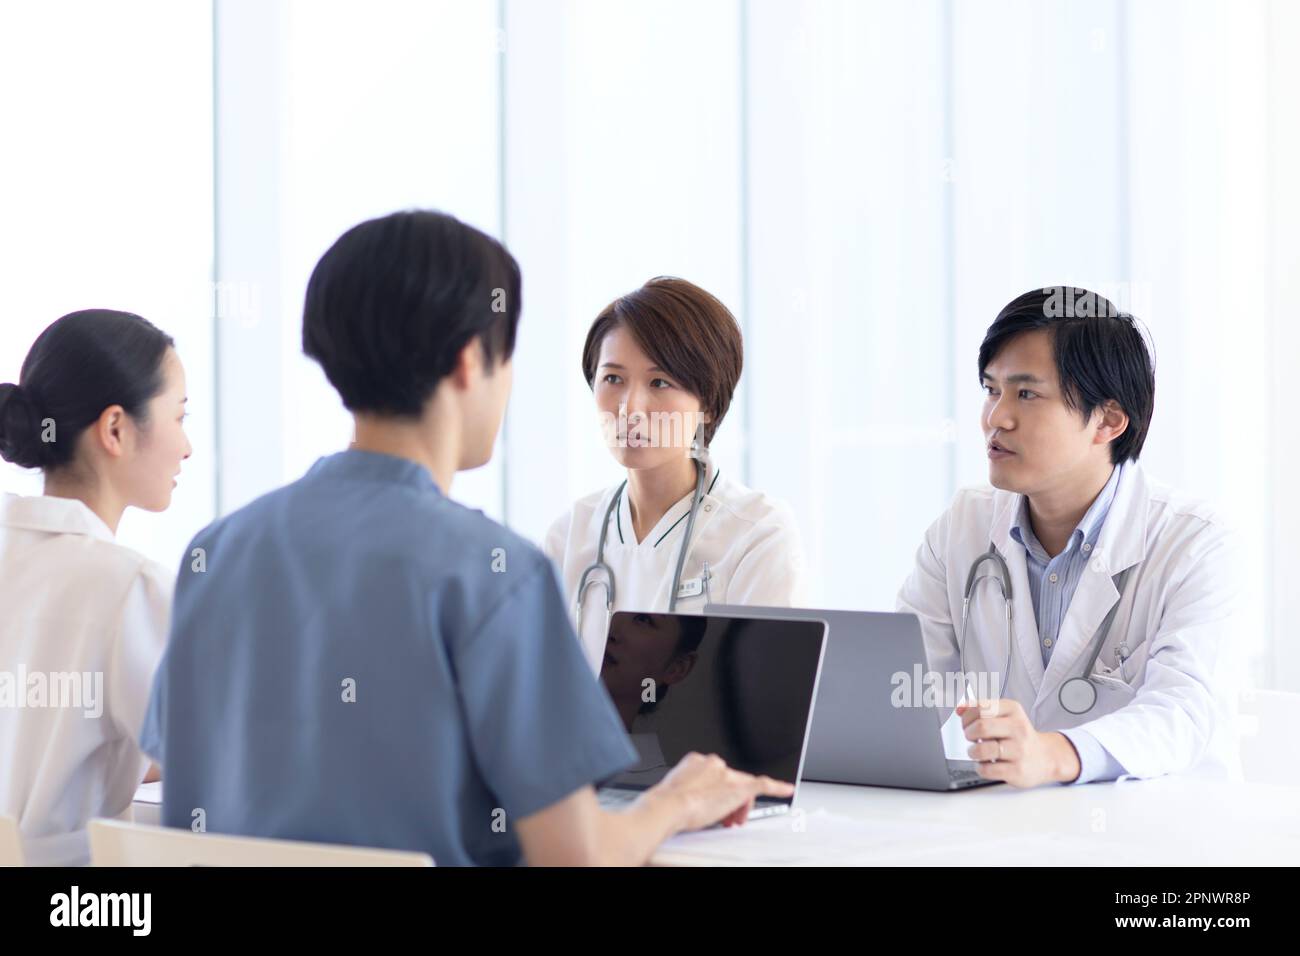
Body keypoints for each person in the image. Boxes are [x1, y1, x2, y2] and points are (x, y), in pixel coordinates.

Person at [140, 210, 791, 866]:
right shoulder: (493, 575)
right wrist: (675, 801)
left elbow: (184, 787)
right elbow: (576, 857)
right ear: (469, 361)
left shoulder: (216, 554)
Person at [897, 286, 1238, 787]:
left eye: (1026, 394)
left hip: (1163, 835)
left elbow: (1182, 712)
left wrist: (1053, 753)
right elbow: (909, 690)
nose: (996, 419)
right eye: (991, 390)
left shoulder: (1196, 544)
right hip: (1021, 833)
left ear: (1108, 420)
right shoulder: (962, 527)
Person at [0, 309, 191, 865]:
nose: (187, 447)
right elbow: (208, 758)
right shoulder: (130, 588)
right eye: (179, 417)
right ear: (115, 429)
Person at [546, 277, 806, 672]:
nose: (630, 407)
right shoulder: (569, 536)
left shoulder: (757, 533)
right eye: (613, 378)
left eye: (659, 382)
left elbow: (768, 706)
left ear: (708, 405)